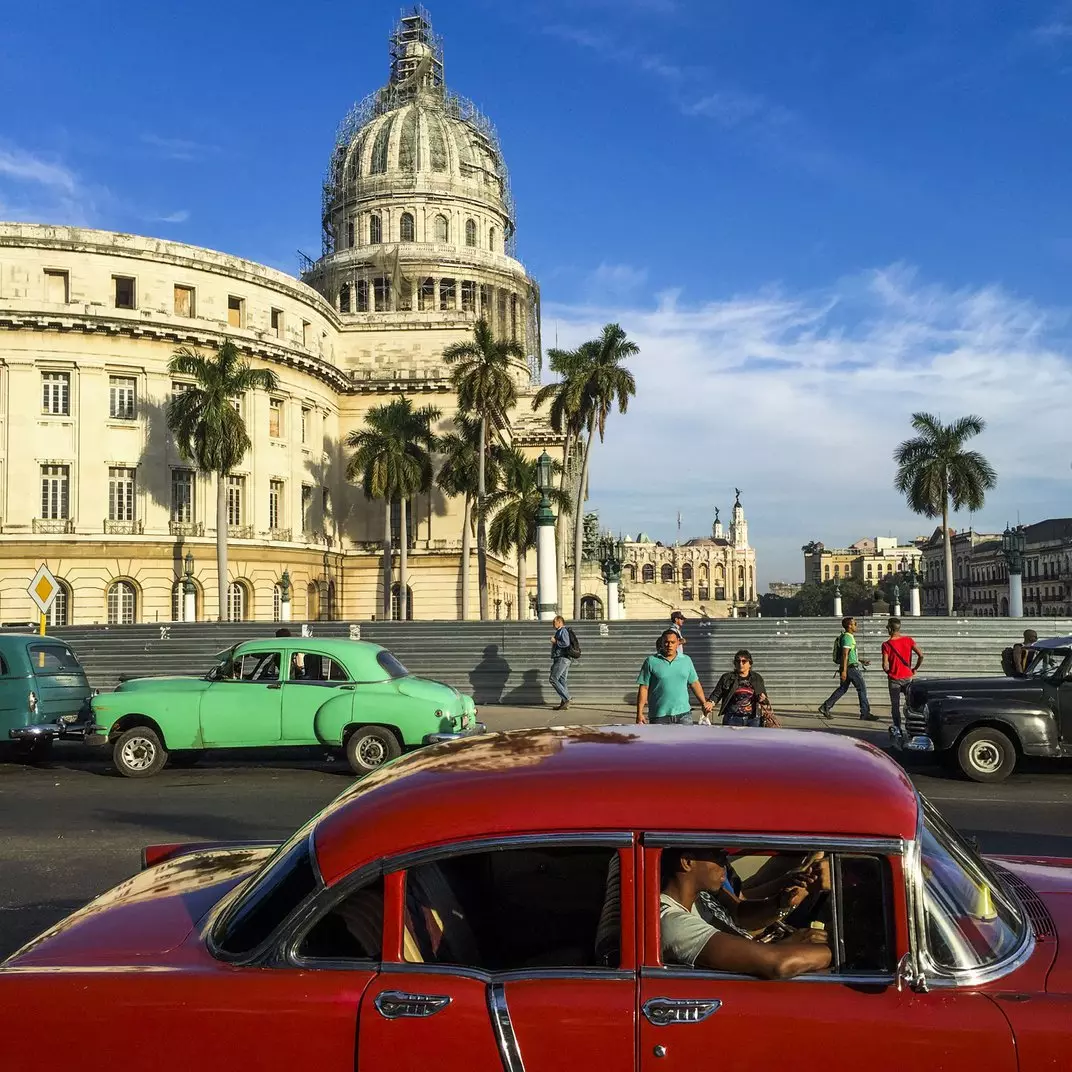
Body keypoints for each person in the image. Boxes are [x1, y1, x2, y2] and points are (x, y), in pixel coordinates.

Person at [660, 847, 832, 979]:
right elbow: (779, 964)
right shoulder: (674, 923)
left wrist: (783, 902)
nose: (724, 863)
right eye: (716, 855)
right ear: (687, 862)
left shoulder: (703, 893)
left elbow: (741, 914)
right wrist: (839, 952)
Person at [636, 630, 713, 724]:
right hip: (659, 716)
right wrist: (639, 713)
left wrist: (703, 703)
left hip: (684, 715)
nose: (669, 645)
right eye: (666, 642)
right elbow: (644, 688)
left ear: (678, 643)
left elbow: (694, 683)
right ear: (662, 643)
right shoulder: (651, 661)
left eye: (673, 642)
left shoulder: (686, 660)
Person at [819, 616, 877, 722]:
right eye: (855, 623)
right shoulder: (847, 637)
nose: (856, 625)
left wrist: (860, 660)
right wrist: (844, 671)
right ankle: (865, 713)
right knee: (862, 689)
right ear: (849, 626)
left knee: (842, 689)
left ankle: (825, 707)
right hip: (851, 669)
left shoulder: (848, 637)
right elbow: (845, 655)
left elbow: (850, 654)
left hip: (849, 667)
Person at [708, 650, 771, 727]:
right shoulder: (727, 678)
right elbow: (716, 694)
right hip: (732, 718)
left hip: (753, 719)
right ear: (735, 663)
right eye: (738, 661)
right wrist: (710, 702)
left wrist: (763, 699)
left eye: (744, 661)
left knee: (753, 739)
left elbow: (764, 699)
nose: (741, 664)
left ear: (750, 664)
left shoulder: (757, 678)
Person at [881, 618, 923, 730]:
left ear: (890, 629)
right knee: (910, 704)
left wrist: (889, 672)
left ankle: (897, 728)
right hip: (907, 677)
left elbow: (885, 665)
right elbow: (921, 655)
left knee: (895, 706)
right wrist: (914, 668)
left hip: (894, 679)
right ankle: (912, 726)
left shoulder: (886, 645)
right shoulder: (908, 640)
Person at [548, 615, 573, 712]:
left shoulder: (563, 631)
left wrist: (555, 641)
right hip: (563, 658)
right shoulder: (560, 631)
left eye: (554, 622)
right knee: (562, 681)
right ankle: (564, 702)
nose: (553, 625)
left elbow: (566, 643)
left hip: (562, 658)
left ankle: (567, 698)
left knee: (553, 678)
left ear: (559, 622)